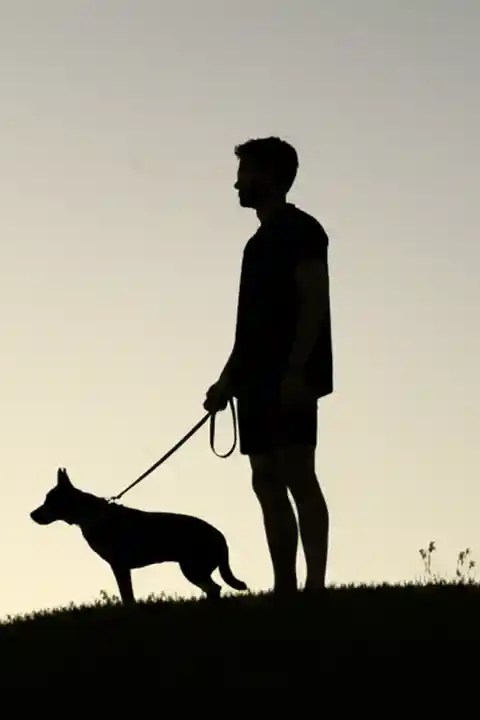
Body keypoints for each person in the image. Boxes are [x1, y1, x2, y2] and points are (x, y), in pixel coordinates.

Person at [204, 136, 333, 596]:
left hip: (290, 378)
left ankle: (314, 587)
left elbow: (314, 300)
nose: (237, 183)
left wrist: (298, 370)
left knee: (298, 473)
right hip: (255, 382)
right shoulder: (256, 245)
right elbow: (250, 330)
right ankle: (285, 587)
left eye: (245, 173)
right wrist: (226, 381)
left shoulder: (302, 231)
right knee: (266, 479)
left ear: (270, 177)